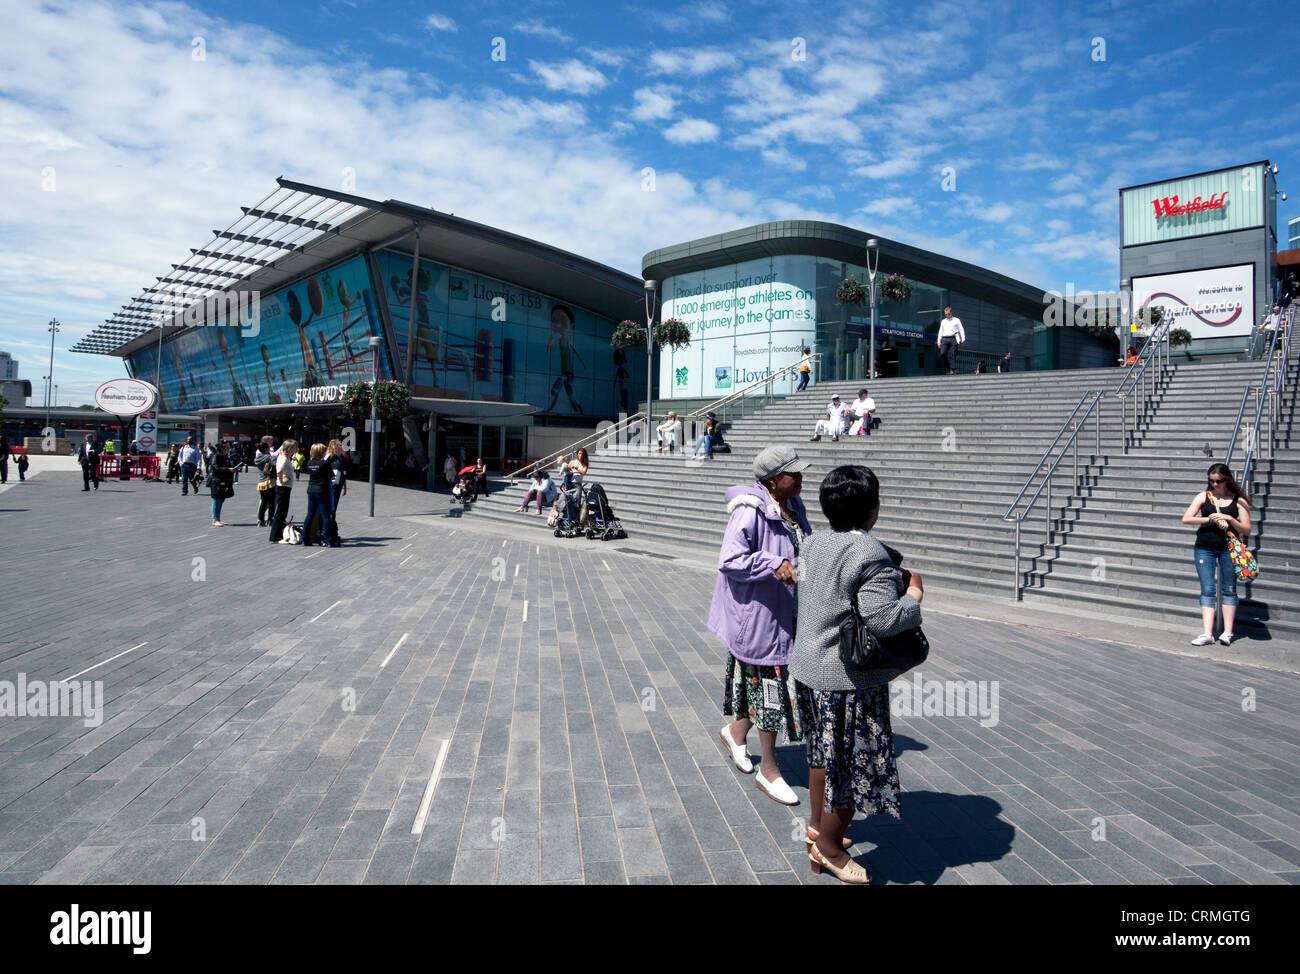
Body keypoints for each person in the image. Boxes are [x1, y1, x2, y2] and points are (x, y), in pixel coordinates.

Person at [791, 464, 922, 884]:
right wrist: (916, 592)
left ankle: (817, 829)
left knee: (821, 757)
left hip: (809, 667)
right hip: (846, 681)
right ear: (872, 510)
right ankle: (828, 847)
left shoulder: (813, 542)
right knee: (851, 767)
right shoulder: (869, 554)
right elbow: (884, 619)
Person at [711, 445, 812, 806]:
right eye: (793, 474)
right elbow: (731, 559)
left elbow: (805, 546)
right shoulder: (749, 511)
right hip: (759, 620)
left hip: (787, 614)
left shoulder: (794, 506)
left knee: (762, 686)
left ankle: (735, 732)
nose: (800, 478)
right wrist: (774, 563)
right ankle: (769, 771)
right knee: (770, 691)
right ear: (772, 481)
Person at [1181, 463, 1251, 646]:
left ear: (1226, 479)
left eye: (1218, 481)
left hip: (1228, 548)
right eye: (1211, 481)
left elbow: (1247, 529)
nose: (1214, 484)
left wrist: (1229, 519)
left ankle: (1228, 632)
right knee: (1208, 589)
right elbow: (1186, 518)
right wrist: (1210, 518)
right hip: (1205, 546)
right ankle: (1207, 633)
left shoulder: (1239, 500)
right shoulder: (1204, 497)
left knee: (1229, 588)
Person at [300, 443, 334, 546]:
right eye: (324, 450)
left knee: (310, 515)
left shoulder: (309, 463)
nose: (325, 452)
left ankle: (305, 539)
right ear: (321, 452)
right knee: (325, 516)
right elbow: (332, 476)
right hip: (322, 491)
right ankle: (329, 540)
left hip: (311, 490)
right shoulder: (325, 464)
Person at [269, 438, 297, 543]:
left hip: (284, 487)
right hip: (283, 488)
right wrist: (282, 480)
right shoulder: (284, 458)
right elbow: (279, 470)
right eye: (295, 447)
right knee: (281, 512)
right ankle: (275, 536)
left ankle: (279, 534)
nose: (297, 449)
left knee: (282, 511)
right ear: (290, 448)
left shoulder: (285, 457)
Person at [326, 439, 348, 546]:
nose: (342, 446)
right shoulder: (330, 457)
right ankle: (331, 534)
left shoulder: (342, 458)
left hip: (338, 486)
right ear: (335, 446)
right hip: (331, 487)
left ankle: (333, 533)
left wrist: (345, 486)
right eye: (340, 445)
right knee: (331, 510)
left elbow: (343, 473)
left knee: (333, 509)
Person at [208, 441, 235, 526]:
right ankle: (215, 520)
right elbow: (215, 468)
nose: (228, 449)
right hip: (216, 481)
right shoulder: (216, 456)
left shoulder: (226, 457)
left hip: (224, 481)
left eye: (228, 447)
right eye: (227, 447)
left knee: (221, 500)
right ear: (222, 448)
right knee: (216, 500)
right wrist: (228, 469)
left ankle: (218, 519)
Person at [254, 437, 277, 527]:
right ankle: (270, 520)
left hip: (261, 482)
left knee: (263, 502)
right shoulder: (268, 457)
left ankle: (260, 520)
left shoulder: (257, 458)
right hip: (270, 481)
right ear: (266, 449)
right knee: (271, 502)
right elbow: (275, 464)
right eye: (269, 448)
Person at [937, 306, 965, 374]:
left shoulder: (956, 320)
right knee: (942, 353)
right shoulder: (943, 321)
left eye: (948, 314)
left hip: (953, 338)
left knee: (952, 354)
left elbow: (961, 329)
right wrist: (938, 341)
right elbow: (940, 331)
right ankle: (948, 367)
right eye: (946, 314)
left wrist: (963, 338)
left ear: (951, 313)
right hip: (944, 338)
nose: (947, 315)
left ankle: (953, 369)